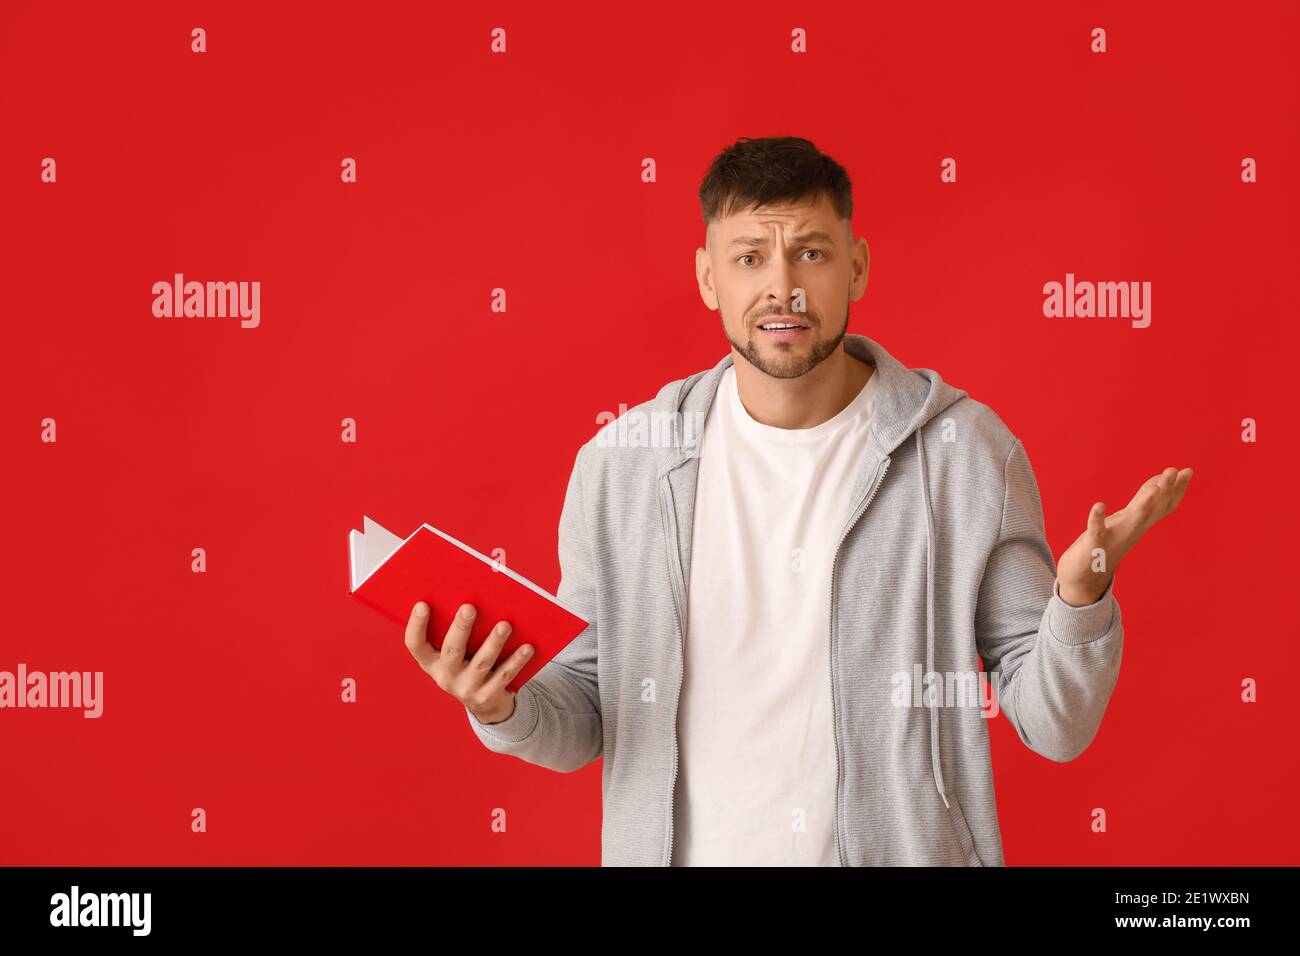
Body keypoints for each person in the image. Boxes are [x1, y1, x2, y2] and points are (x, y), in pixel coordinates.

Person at [403, 136, 1193, 866]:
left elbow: (1055, 724)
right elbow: (582, 720)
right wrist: (501, 705)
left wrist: (1080, 598)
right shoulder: (622, 468)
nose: (782, 285)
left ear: (855, 268)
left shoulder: (966, 454)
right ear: (709, 277)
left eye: (810, 252)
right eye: (750, 256)